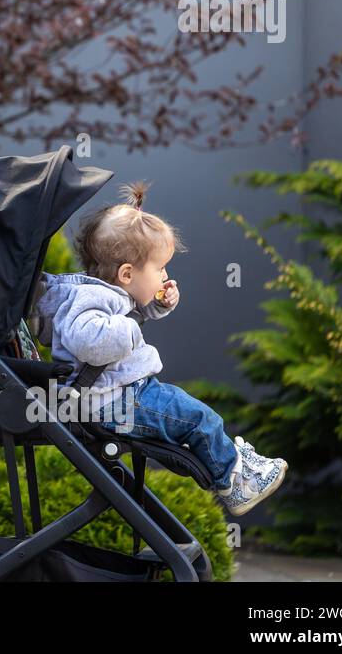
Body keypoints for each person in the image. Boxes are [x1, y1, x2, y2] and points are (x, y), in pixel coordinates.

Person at [31, 180, 287, 516]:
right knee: (197, 418)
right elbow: (89, 340)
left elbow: (124, 316)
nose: (165, 274)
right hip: (111, 403)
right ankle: (235, 482)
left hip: (121, 395)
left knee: (191, 414)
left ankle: (236, 467)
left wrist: (156, 306)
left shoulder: (106, 293)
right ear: (126, 273)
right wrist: (131, 329)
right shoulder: (90, 298)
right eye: (159, 268)